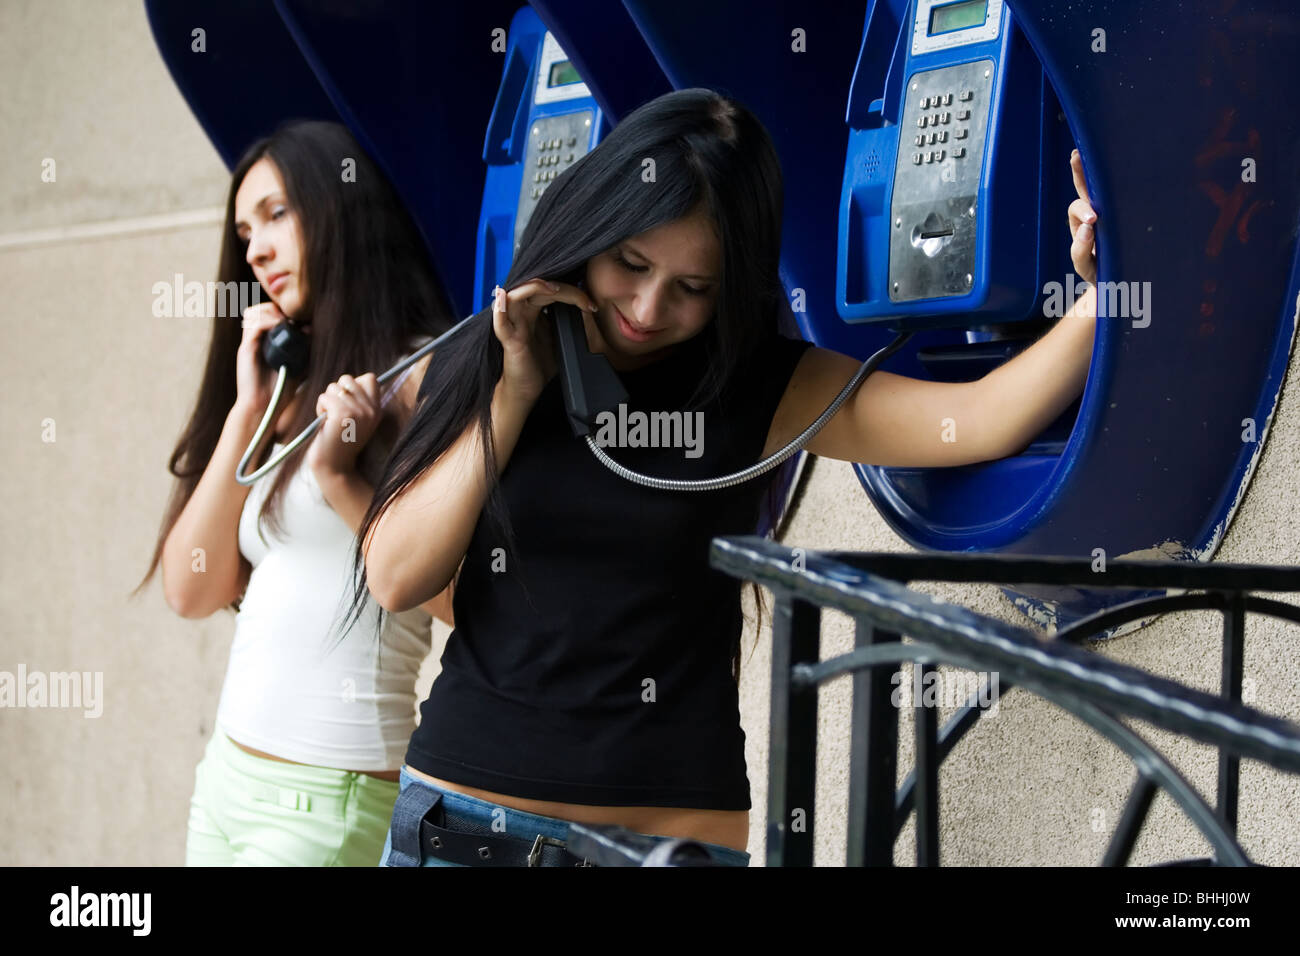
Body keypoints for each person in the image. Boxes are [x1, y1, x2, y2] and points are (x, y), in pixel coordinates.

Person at [350, 88, 1098, 867]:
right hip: (469, 826)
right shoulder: (488, 350)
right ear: (589, 229)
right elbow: (400, 576)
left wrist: (1103, 292)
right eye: (629, 265)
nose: (646, 307)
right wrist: (515, 390)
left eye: (691, 289)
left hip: (668, 841)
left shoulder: (764, 384)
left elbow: (981, 419)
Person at [135, 120, 455, 866]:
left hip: (328, 794)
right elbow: (191, 588)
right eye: (245, 230)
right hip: (225, 780)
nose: (256, 247)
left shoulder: (421, 379)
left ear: (338, 209)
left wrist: (340, 478)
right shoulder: (282, 388)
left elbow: (458, 601)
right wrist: (247, 408)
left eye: (277, 214)